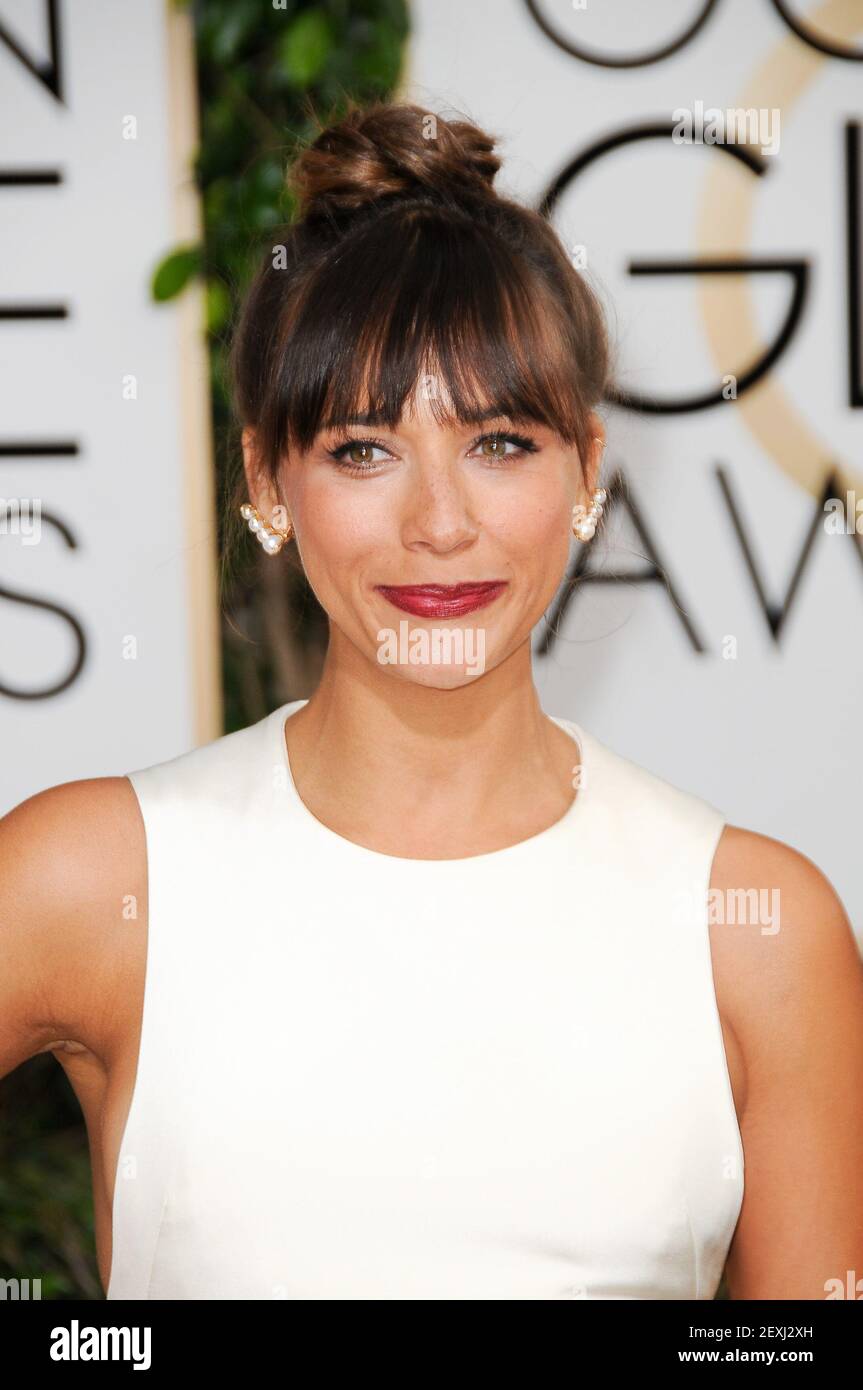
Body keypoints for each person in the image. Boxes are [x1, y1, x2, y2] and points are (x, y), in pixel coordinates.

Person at [1, 100, 861, 1302]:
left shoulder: (754, 931)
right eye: (362, 448)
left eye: (500, 442)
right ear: (266, 476)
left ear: (587, 470)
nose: (440, 524)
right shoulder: (90, 879)